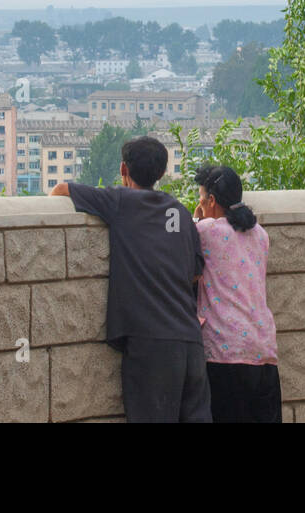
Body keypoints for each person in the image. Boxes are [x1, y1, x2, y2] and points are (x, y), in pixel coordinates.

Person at [49, 135, 210, 422]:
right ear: (161, 173)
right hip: (191, 343)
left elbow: (62, 189)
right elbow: (196, 271)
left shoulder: (121, 201)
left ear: (124, 170)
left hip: (151, 344)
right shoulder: (180, 212)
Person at [192, 164, 281, 422]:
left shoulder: (207, 230)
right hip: (263, 350)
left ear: (211, 200)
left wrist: (197, 217)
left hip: (225, 351)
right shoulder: (261, 235)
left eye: (201, 199)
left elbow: (180, 238)